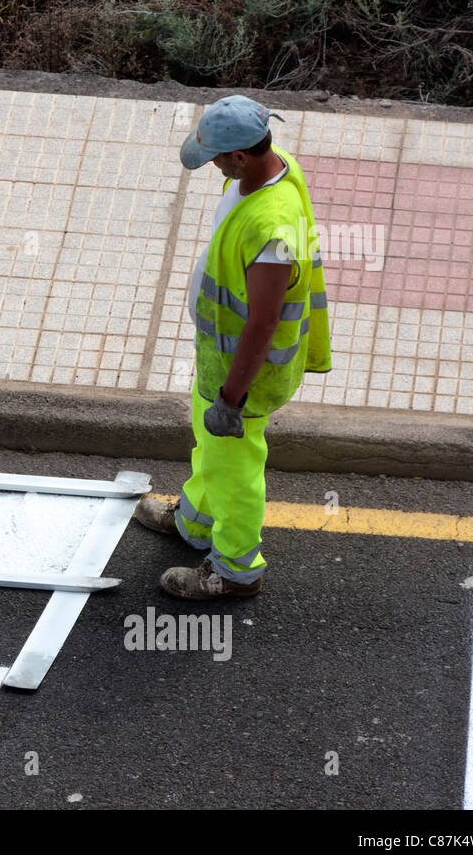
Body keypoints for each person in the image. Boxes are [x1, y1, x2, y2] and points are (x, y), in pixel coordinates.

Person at [134, 95, 331, 598]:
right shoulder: (272, 170)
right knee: (211, 447)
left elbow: (263, 323)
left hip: (243, 376)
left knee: (236, 472)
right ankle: (196, 522)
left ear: (240, 155)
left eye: (217, 158)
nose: (214, 167)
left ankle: (237, 570)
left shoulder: (272, 233)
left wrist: (232, 398)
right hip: (218, 361)